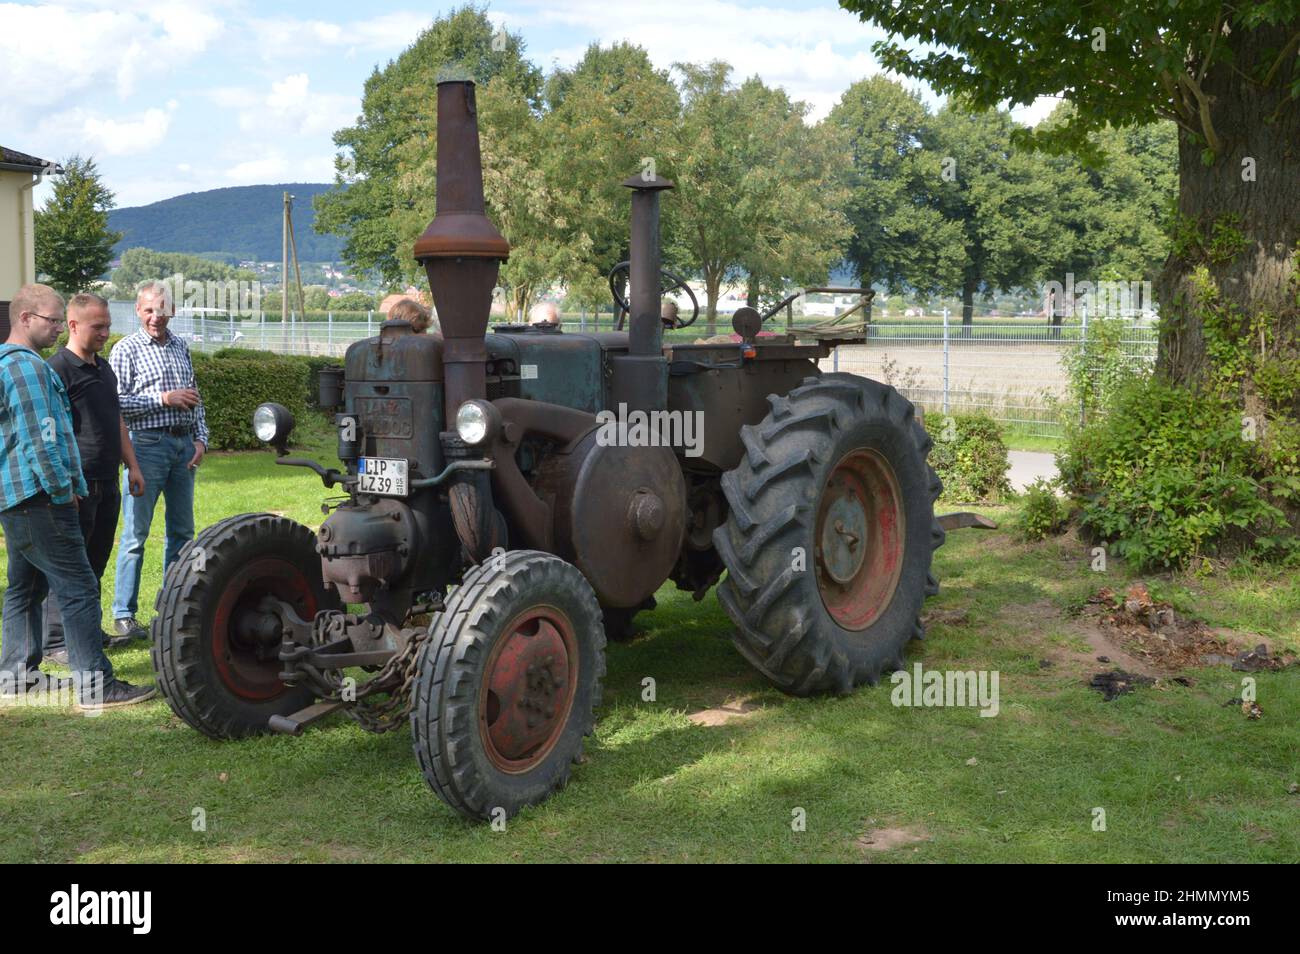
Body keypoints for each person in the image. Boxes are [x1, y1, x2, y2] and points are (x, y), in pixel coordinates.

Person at [0, 284, 155, 709]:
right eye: (52, 321)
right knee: (79, 585)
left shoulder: (12, 365)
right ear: (26, 318)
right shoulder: (29, 369)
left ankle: (15, 676)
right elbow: (41, 439)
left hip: (17, 498)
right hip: (41, 498)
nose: (55, 330)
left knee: (24, 587)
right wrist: (63, 488)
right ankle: (95, 687)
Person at [42, 293, 147, 665]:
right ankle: (56, 642)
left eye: (107, 325)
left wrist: (132, 465)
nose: (106, 332)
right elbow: (49, 433)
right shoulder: (55, 370)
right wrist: (64, 483)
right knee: (71, 566)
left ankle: (87, 632)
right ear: (72, 325)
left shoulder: (104, 368)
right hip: (77, 483)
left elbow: (116, 419)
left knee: (95, 563)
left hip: (108, 479)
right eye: (97, 326)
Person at [108, 281, 208, 640]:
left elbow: (195, 397)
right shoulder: (126, 349)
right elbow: (116, 403)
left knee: (182, 533)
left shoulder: (181, 346)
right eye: (149, 310)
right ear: (138, 311)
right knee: (135, 534)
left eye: (162, 310)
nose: (156, 317)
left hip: (184, 449)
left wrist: (201, 439)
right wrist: (163, 398)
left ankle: (171, 607)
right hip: (145, 448)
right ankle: (124, 615)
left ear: (173, 311)